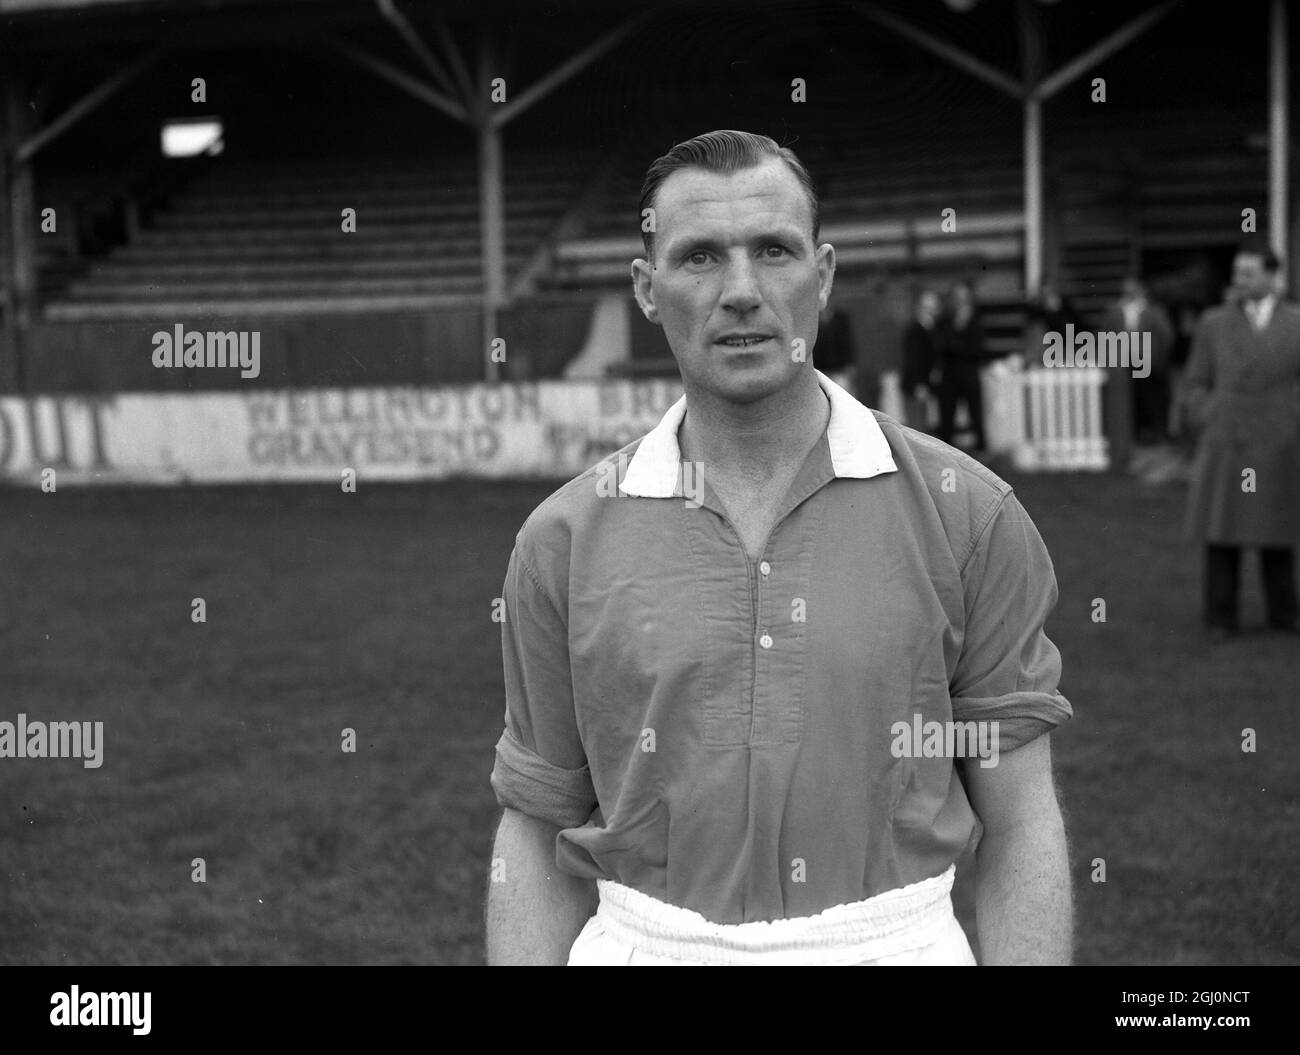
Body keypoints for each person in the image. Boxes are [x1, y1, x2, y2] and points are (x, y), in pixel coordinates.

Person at [485, 130, 1073, 966]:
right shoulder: (560, 541)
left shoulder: (968, 514)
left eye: (773, 250)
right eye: (699, 258)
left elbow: (1021, 821)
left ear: (823, 275)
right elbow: (538, 819)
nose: (741, 291)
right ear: (647, 290)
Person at [1182, 243, 1300, 638]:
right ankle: (1220, 617)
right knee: (1222, 530)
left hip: (1280, 440)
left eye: (1248, 273)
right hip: (1227, 440)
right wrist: (1209, 416)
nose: (1239, 280)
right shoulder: (1213, 323)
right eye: (1237, 272)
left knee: (1277, 529)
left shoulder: (1296, 323)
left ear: (1272, 276)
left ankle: (1285, 613)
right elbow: (1195, 381)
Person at [1102, 277, 1175, 444]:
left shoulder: (1154, 310)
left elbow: (1166, 335)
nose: (1130, 293)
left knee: (1153, 399)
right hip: (1125, 363)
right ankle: (1134, 434)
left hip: (1149, 362)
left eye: (1133, 289)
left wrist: (1159, 357)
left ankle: (1157, 432)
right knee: (1130, 399)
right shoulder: (1116, 310)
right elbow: (1106, 335)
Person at [935, 281, 988, 452]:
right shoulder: (946, 320)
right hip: (950, 376)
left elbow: (977, 349)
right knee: (947, 415)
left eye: (963, 297)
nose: (960, 301)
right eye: (957, 297)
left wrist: (956, 345)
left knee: (976, 413)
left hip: (969, 374)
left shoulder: (975, 321)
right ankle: (946, 450)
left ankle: (981, 448)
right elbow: (942, 345)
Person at [901, 287, 942, 431]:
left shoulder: (932, 328)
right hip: (916, 385)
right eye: (928, 308)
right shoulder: (915, 330)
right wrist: (918, 383)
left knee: (925, 423)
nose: (931, 311)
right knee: (917, 427)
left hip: (925, 384)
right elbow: (913, 359)